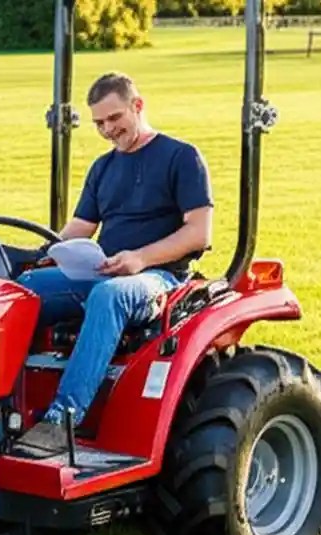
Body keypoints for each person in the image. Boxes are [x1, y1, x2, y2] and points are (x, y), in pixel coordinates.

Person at [13, 71, 213, 458]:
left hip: (158, 277)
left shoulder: (181, 157)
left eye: (114, 119)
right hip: (103, 269)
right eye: (99, 124)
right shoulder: (103, 168)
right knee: (18, 290)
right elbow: (80, 228)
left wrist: (139, 259)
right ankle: (1, 406)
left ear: (137, 106)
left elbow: (198, 234)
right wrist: (36, 255)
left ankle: (61, 420)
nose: (107, 130)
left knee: (109, 295)